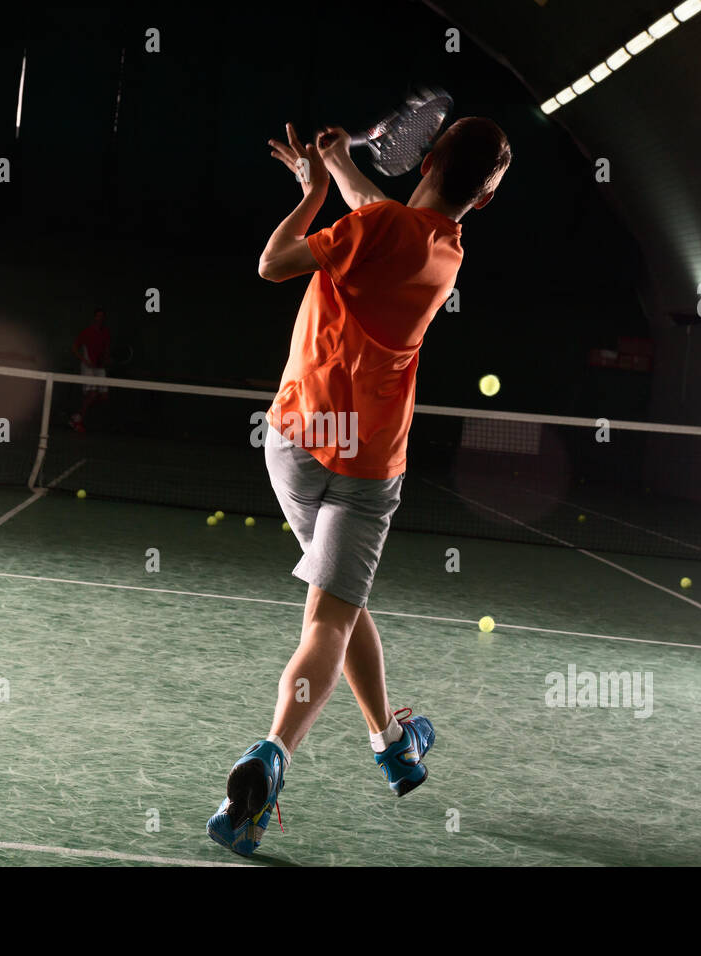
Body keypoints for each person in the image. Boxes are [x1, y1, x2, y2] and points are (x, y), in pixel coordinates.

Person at [207, 116, 511, 856]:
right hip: (370, 460)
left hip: (297, 441)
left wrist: (312, 192)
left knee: (339, 605)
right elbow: (386, 214)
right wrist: (340, 166)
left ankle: (393, 744)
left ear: (429, 157)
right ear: (486, 197)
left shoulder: (372, 224)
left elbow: (274, 262)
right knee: (330, 619)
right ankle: (274, 752)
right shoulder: (446, 252)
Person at [70, 307, 111, 431]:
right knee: (92, 394)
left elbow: (106, 350)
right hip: (88, 366)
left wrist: (106, 360)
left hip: (100, 367)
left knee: (104, 396)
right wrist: (85, 361)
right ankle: (77, 420)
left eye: (102, 316)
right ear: (94, 318)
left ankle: (77, 416)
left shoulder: (106, 333)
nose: (100, 318)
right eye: (98, 316)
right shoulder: (87, 332)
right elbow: (75, 348)